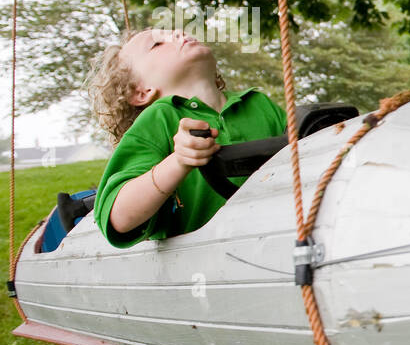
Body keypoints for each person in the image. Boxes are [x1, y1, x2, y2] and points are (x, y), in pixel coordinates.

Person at [87, 27, 287, 249]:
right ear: (141, 91)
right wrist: (178, 161)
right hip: (209, 265)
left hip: (281, 241)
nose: (179, 34)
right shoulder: (159, 118)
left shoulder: (258, 103)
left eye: (174, 32)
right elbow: (118, 218)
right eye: (157, 44)